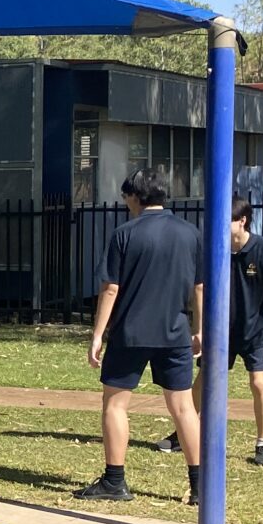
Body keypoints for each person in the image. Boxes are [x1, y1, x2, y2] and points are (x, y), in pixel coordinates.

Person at [79, 170, 204, 504]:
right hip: (174, 331)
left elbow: (110, 289)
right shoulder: (190, 233)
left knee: (115, 403)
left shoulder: (125, 234)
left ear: (134, 196)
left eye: (126, 197)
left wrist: (97, 335)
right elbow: (200, 287)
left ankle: (115, 481)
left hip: (130, 332)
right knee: (184, 408)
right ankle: (199, 486)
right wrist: (200, 328)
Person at [154, 197, 263, 466]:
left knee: (259, 383)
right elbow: (199, 290)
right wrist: (200, 328)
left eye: (224, 221)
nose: (218, 227)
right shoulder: (213, 250)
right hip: (220, 330)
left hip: (255, 331)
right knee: (204, 378)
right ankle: (184, 432)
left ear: (242, 221)